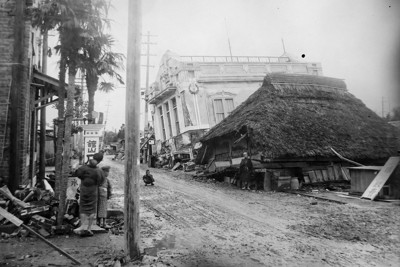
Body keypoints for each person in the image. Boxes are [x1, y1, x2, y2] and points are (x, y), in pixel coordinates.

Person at [73, 153, 104, 237]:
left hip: (84, 190)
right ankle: (89, 228)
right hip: (93, 191)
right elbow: (101, 181)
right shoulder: (99, 171)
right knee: (92, 209)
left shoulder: (83, 168)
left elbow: (77, 173)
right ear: (100, 161)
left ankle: (82, 226)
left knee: (83, 208)